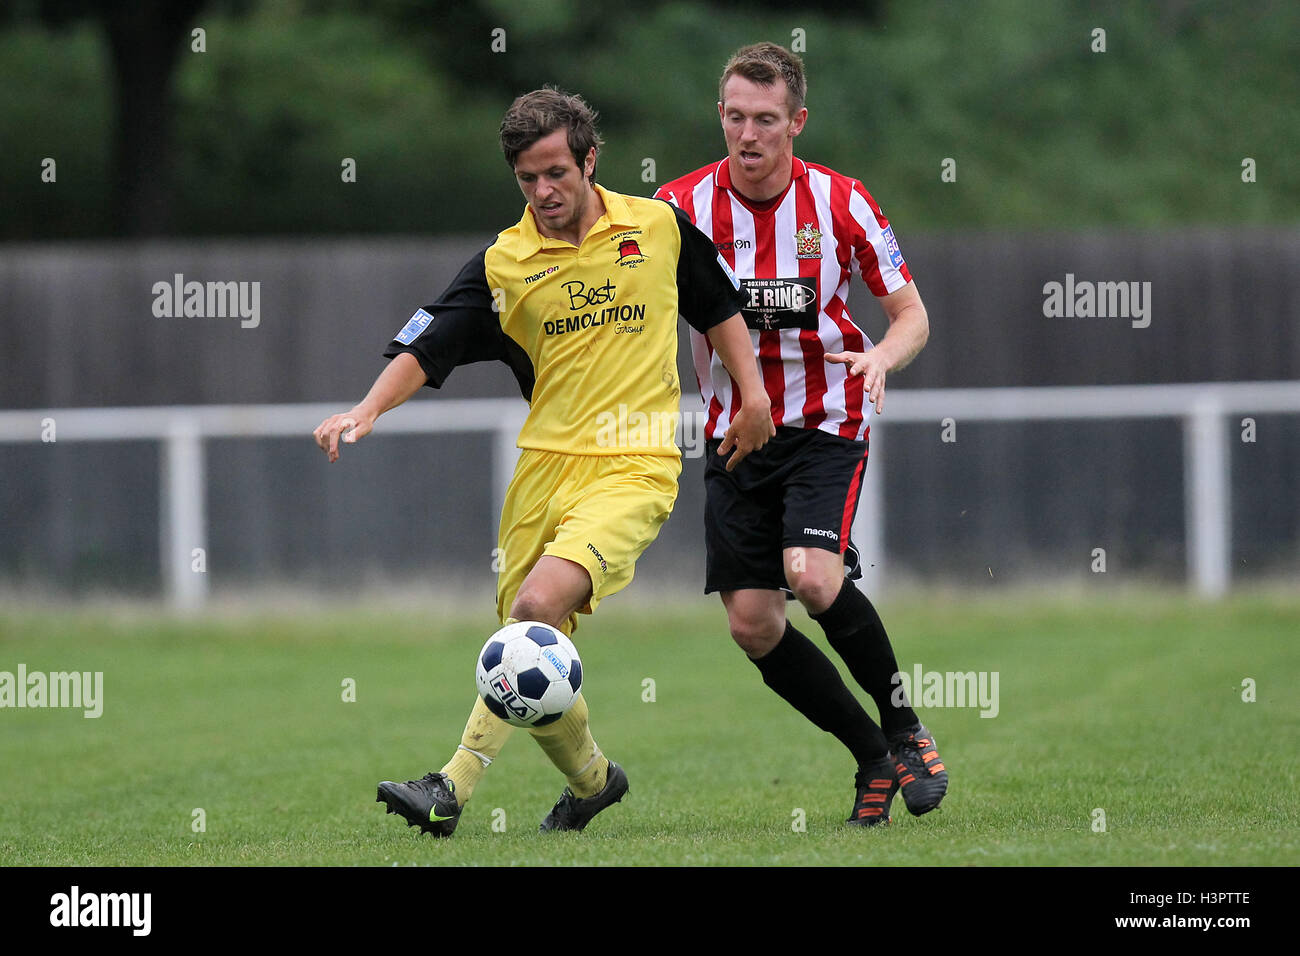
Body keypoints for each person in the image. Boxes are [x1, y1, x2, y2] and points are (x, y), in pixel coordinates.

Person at [313, 88, 772, 836]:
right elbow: (429, 344)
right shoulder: (505, 262)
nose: (545, 191)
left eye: (558, 171)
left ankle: (450, 789)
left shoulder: (656, 228)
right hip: (542, 470)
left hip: (635, 463)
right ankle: (593, 781)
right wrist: (364, 410)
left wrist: (752, 397)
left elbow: (719, 307)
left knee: (531, 615)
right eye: (528, 178)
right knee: (519, 654)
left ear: (591, 160)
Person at [655, 42, 947, 825]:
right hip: (733, 437)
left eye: (766, 120)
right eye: (735, 118)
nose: (748, 135)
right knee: (753, 624)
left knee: (814, 575)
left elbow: (911, 313)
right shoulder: (676, 209)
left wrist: (882, 357)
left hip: (824, 421)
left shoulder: (842, 202)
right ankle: (871, 757)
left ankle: (905, 726)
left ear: (797, 122)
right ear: (721, 115)